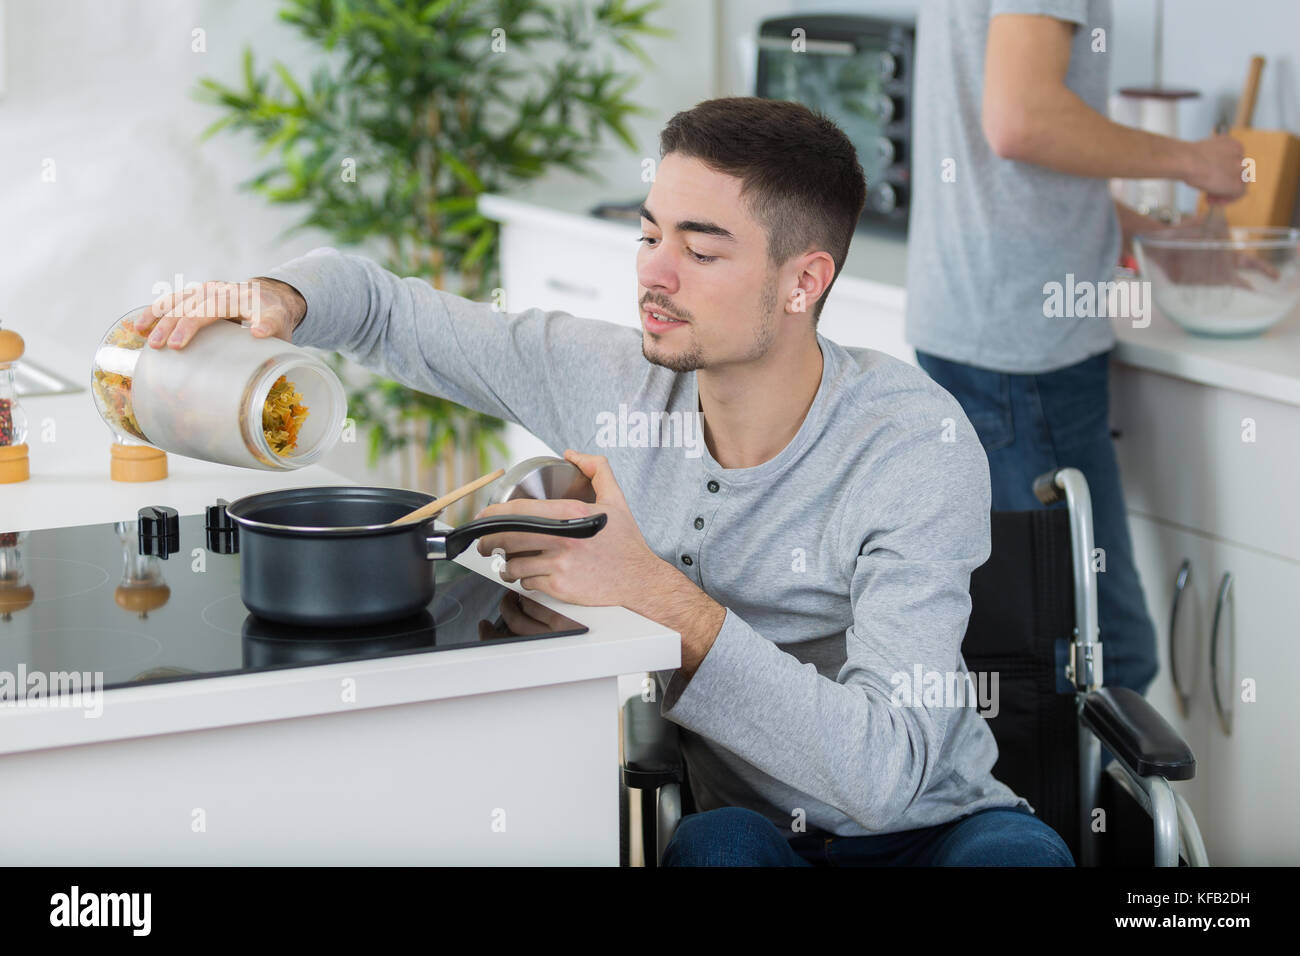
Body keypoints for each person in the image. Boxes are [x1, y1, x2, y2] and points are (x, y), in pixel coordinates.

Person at [138, 97, 1072, 866]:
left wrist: (654, 596)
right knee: (715, 852)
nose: (654, 277)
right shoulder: (617, 380)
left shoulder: (911, 441)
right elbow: (383, 306)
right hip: (749, 834)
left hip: (940, 829)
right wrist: (280, 298)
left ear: (803, 282)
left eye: (703, 252)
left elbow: (886, 776)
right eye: (649, 233)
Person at [907, 0, 1248, 696]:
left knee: (1015, 647)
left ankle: (1023, 806)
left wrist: (1143, 228)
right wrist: (1193, 160)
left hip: (978, 323)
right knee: (1101, 660)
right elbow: (1022, 120)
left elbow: (1000, 148)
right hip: (1026, 347)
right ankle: (1065, 812)